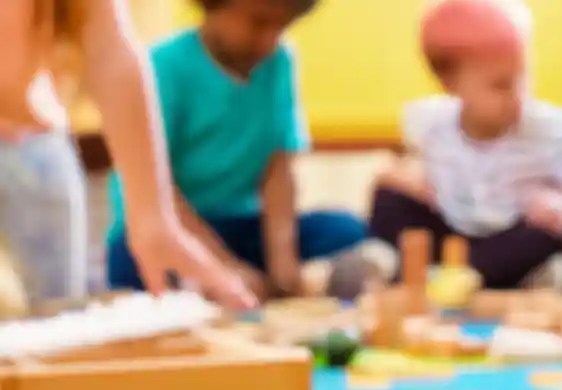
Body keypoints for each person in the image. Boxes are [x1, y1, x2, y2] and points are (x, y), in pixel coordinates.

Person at [105, 0, 369, 302]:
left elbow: (278, 169)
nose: (269, 41)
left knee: (344, 229)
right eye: (258, 24)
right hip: (172, 228)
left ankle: (243, 286)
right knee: (133, 256)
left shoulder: (280, 61)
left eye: (281, 27)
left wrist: (283, 263)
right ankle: (219, 285)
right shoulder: (162, 66)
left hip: (241, 226)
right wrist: (222, 269)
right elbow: (155, 189)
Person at [0, 0, 252, 309]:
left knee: (58, 314)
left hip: (33, 149)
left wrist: (153, 217)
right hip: (34, 153)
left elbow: (108, 43)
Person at [369, 0, 562, 290]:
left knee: (548, 234)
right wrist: (400, 176)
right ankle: (418, 271)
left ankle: (460, 279)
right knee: (389, 197)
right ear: (449, 84)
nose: (517, 95)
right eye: (501, 85)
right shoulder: (428, 121)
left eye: (523, 78)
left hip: (509, 235)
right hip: (452, 231)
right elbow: (404, 167)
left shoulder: (553, 129)